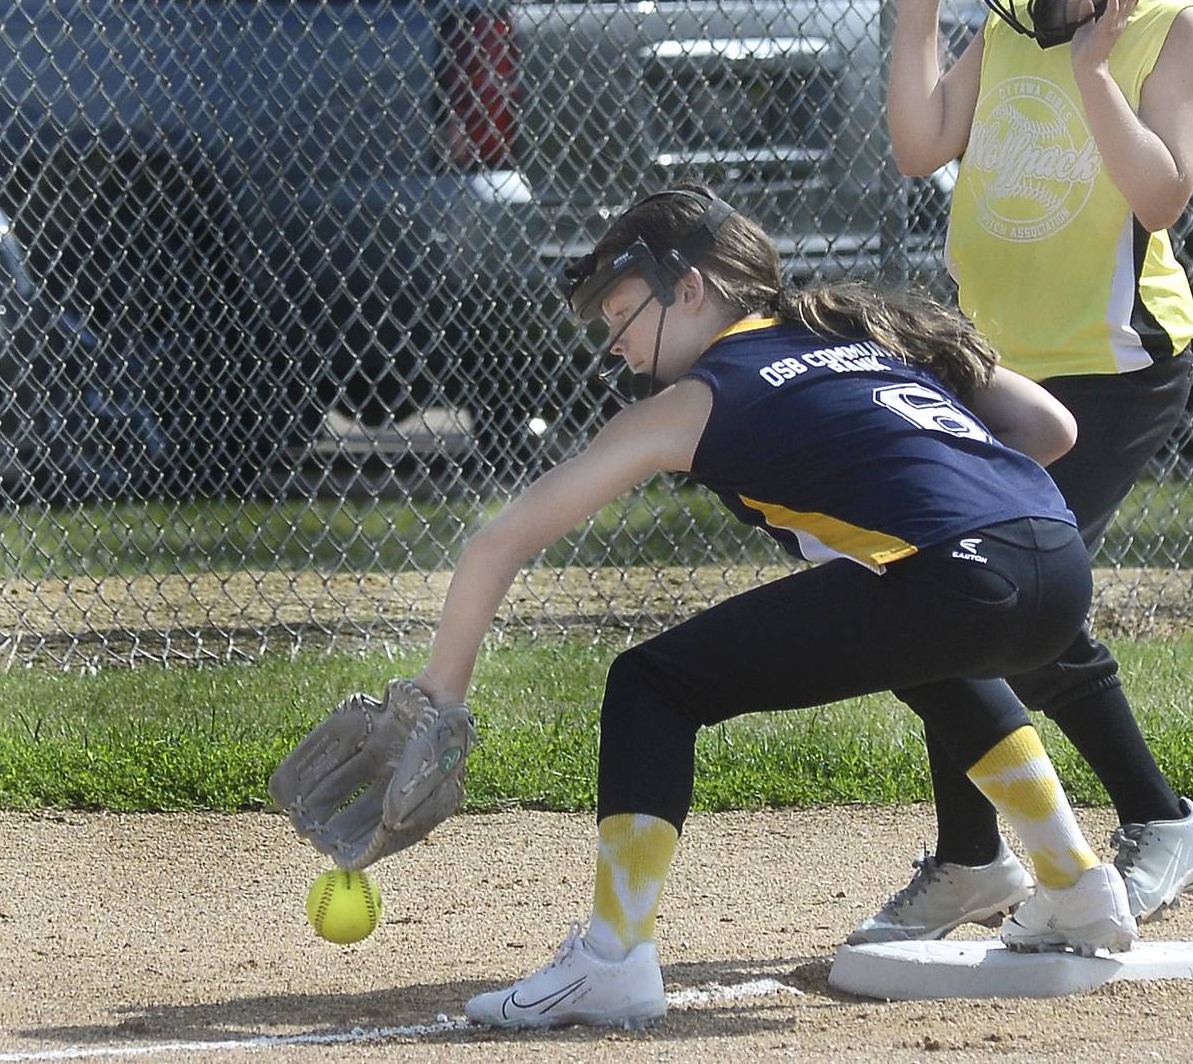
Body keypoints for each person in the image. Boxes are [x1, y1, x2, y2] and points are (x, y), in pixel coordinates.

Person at [401, 185, 1142, 1029]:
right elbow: (1052, 428)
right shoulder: (853, 330)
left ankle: (612, 957)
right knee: (919, 637)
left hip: (962, 574)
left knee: (651, 683)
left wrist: (439, 696)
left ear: (689, 288)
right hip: (1054, 553)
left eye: (623, 311)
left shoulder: (696, 399)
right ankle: (1077, 884)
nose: (617, 346)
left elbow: (499, 541)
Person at [860, 0, 1193, 944]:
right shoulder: (1010, 22)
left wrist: (1091, 70)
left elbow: (1162, 192)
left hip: (1116, 370)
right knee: (969, 589)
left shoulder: (1171, 34)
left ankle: (1026, 845)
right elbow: (923, 143)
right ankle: (1072, 840)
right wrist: (920, 11)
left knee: (979, 595)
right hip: (995, 366)